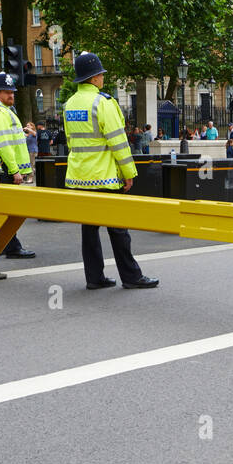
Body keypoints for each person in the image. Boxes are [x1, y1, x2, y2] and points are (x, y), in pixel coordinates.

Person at [62, 52, 158, 289]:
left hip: (79, 178)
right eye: (102, 74)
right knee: (118, 229)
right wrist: (129, 173)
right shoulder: (102, 103)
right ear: (94, 78)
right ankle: (132, 276)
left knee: (89, 231)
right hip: (104, 177)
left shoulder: (69, 104)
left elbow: (70, 141)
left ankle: (94, 278)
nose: (103, 78)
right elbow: (118, 142)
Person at [0, 71, 37, 260]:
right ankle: (11, 247)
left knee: (6, 210)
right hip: (4, 168)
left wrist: (23, 134)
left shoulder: (5, 112)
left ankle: (6, 245)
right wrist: (15, 171)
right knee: (8, 210)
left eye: (12, 92)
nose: (11, 95)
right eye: (6, 92)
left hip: (4, 167)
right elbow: (4, 144)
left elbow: (9, 139)